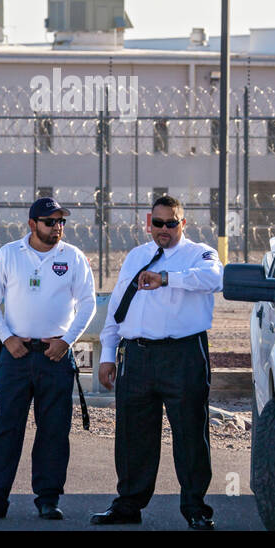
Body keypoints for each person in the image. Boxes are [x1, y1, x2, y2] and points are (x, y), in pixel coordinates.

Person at [90, 194, 223, 530]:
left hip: (182, 355)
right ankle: (128, 505)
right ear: (149, 222)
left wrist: (166, 278)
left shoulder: (199, 253)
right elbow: (117, 308)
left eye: (171, 223)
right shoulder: (137, 255)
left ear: (183, 223)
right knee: (132, 436)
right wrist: (107, 355)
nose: (163, 230)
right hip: (137, 355)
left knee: (190, 434)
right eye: (157, 223)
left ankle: (195, 507)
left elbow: (214, 279)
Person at [0, 196, 97, 520]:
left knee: (53, 430)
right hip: (17, 354)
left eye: (61, 221)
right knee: (6, 427)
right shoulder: (9, 255)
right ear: (32, 224)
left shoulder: (74, 257)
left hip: (55, 356)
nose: (57, 227)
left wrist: (67, 342)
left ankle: (47, 499)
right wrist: (8, 339)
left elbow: (88, 304)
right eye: (50, 222)